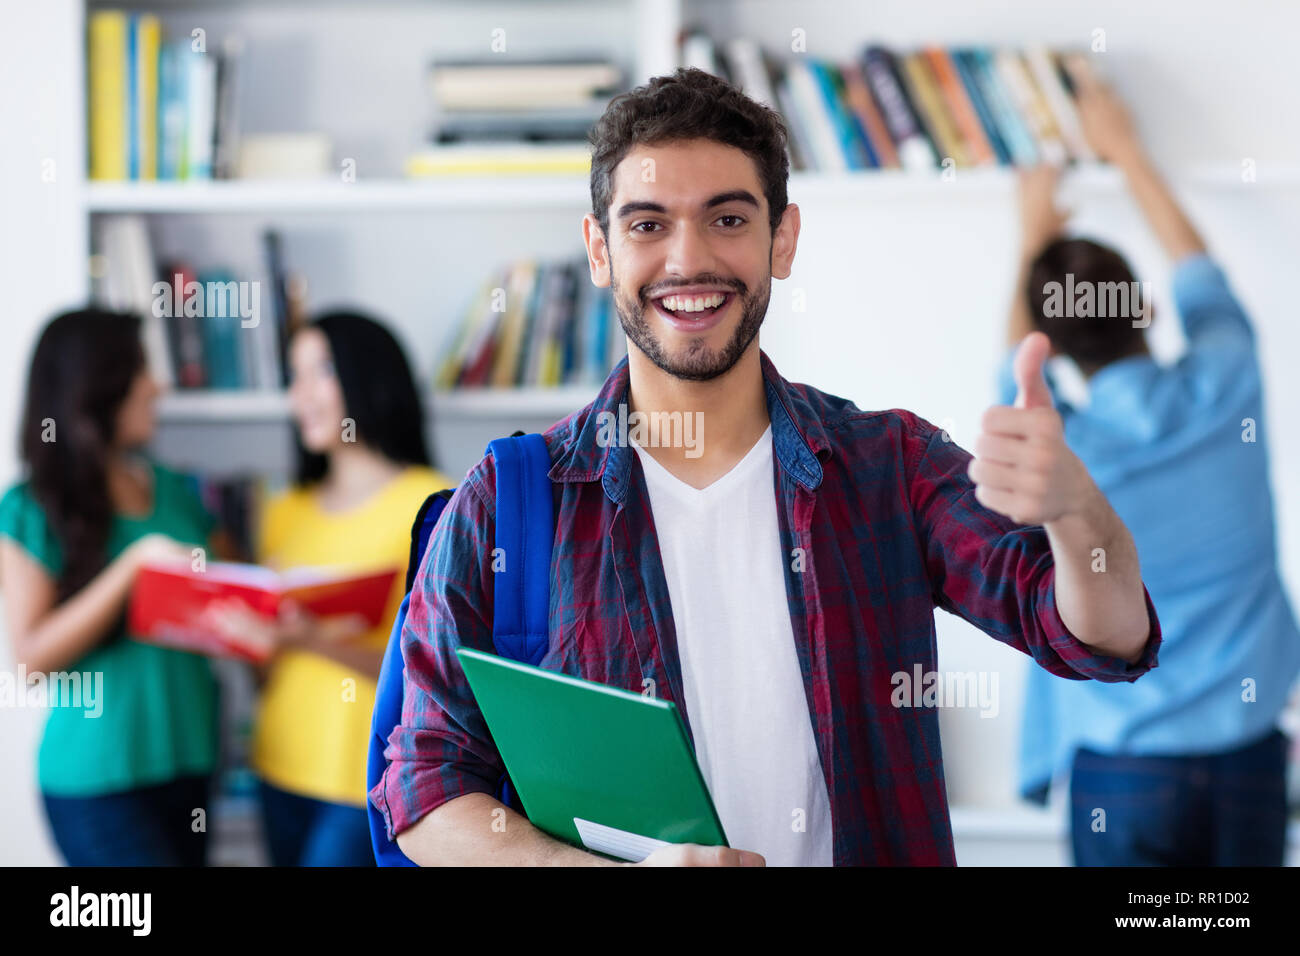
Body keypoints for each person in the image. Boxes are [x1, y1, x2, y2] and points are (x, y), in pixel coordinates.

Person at [376, 67, 1163, 867]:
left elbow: (1102, 638)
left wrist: (1076, 512)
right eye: (648, 225)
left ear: (781, 240)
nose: (689, 260)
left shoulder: (890, 465)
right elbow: (424, 789)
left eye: (726, 218)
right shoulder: (509, 500)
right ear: (599, 249)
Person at [1000, 62, 1299, 866]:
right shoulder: (1229, 380)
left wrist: (1033, 232)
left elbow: (1013, 368)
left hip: (1123, 771)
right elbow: (1204, 275)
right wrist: (1125, 152)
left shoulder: (1058, 446)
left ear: (1052, 342)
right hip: (1250, 761)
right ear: (1149, 308)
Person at [209, 311, 452, 866]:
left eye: (320, 371)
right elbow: (266, 671)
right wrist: (249, 636)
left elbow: (431, 672)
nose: (302, 395)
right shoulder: (283, 510)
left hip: (364, 779)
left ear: (367, 376)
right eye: (294, 377)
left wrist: (312, 639)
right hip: (277, 764)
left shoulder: (432, 503)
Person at [0, 308, 222, 866]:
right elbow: (29, 660)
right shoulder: (30, 507)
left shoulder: (174, 488)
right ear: (94, 388)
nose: (158, 386)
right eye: (141, 369)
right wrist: (132, 568)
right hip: (99, 780)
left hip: (190, 760)